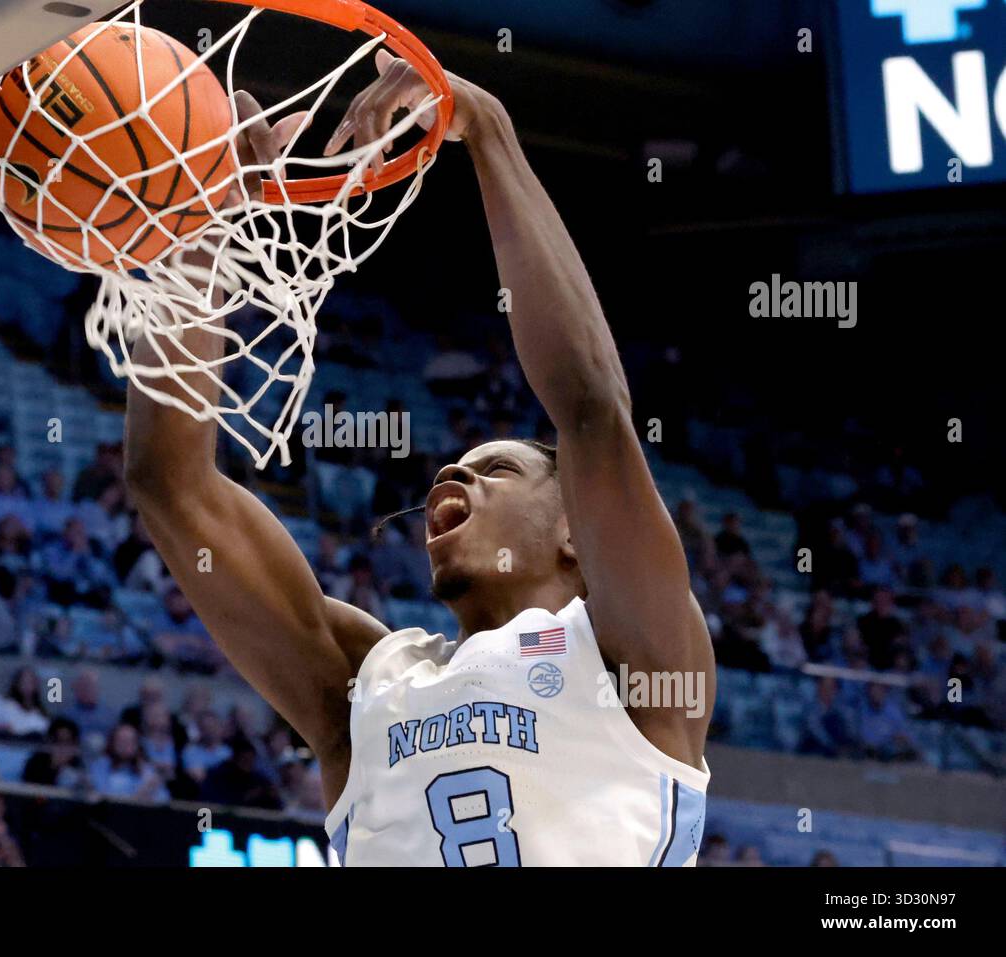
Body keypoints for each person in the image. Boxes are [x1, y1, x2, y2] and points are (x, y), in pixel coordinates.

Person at [121, 65, 714, 866]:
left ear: (575, 528)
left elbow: (592, 409)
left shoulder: (633, 655)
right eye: (453, 472)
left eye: (494, 469)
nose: (450, 479)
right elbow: (171, 484)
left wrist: (490, 133)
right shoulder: (368, 682)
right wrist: (204, 229)